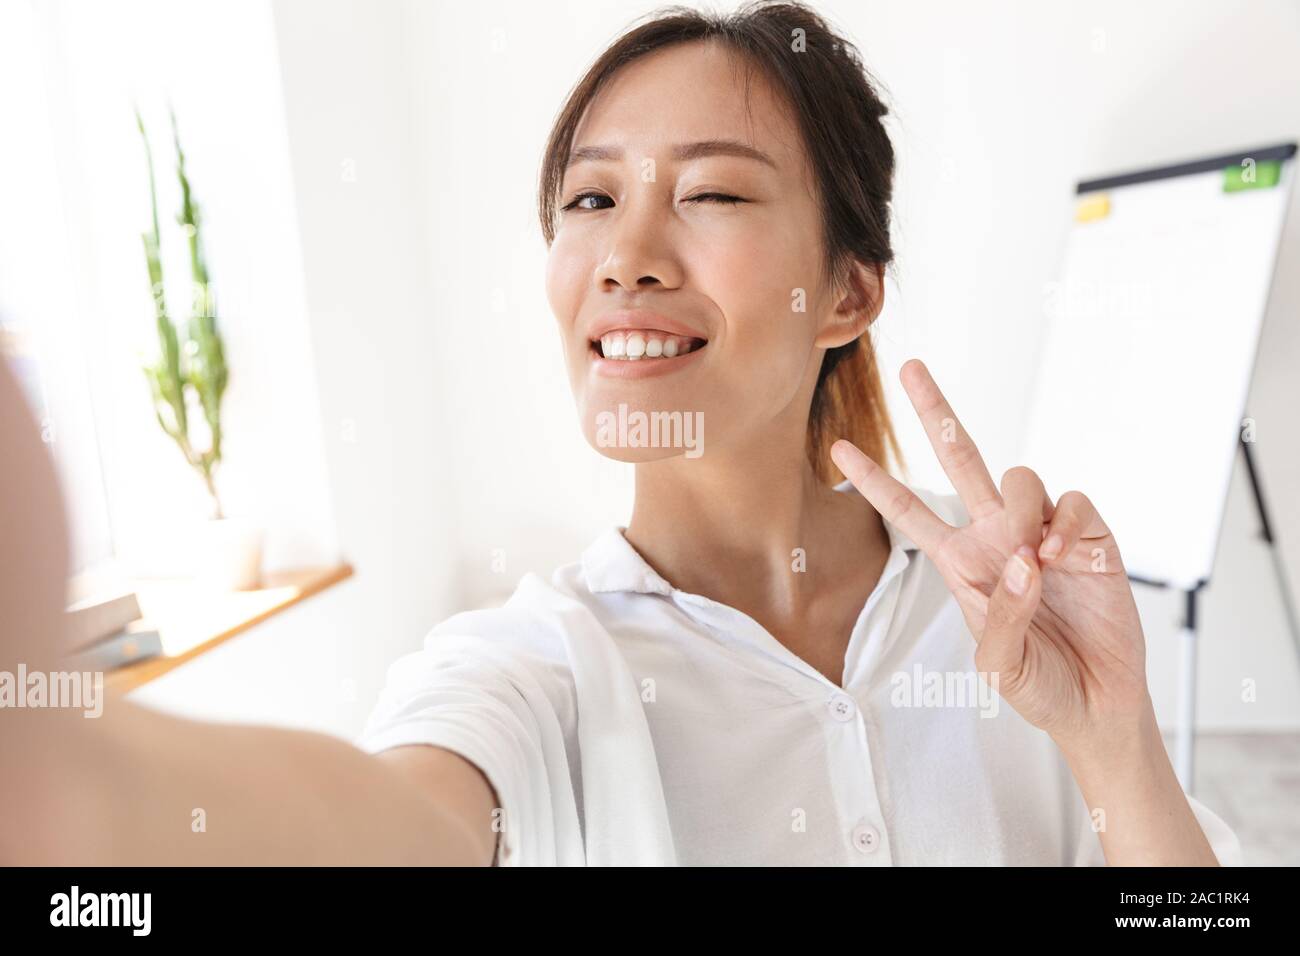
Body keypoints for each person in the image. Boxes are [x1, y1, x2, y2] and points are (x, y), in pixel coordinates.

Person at [0, 0, 1240, 866]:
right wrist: (70, 776)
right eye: (590, 198)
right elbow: (392, 822)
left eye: (708, 193)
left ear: (849, 293)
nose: (625, 256)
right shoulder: (531, 671)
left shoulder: (1000, 624)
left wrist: (1113, 744)